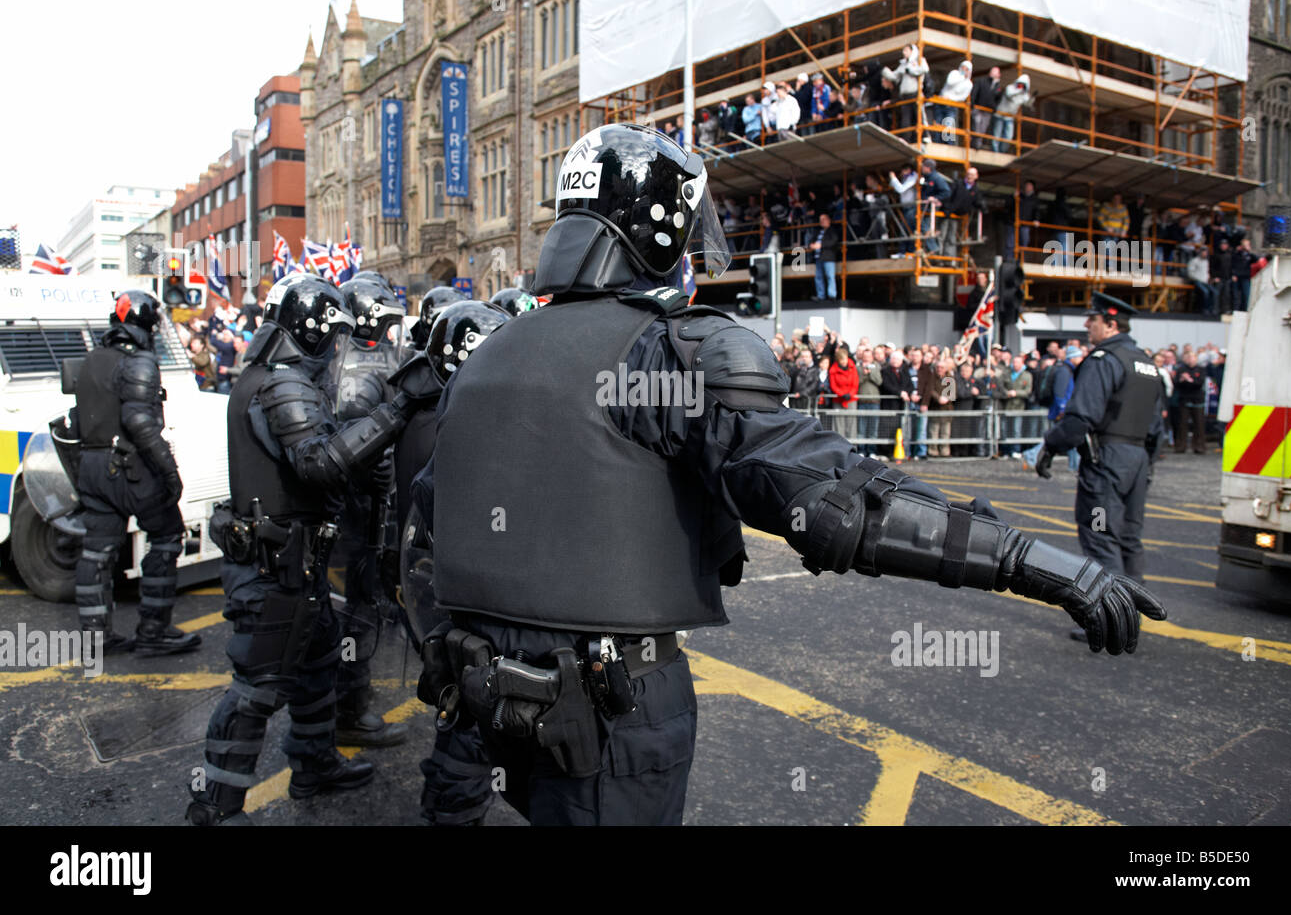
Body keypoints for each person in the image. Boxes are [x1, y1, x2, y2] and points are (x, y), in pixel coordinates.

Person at [410, 123, 1163, 826]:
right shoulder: (671, 350)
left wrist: (457, 661)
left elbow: (424, 531)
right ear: (660, 233)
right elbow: (837, 505)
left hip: (487, 692)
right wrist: (1032, 561)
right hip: (613, 709)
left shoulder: (484, 355)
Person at [187, 275, 441, 825]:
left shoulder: (263, 377)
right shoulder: (283, 385)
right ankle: (214, 805)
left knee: (320, 660)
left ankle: (313, 763)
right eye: (334, 334)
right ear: (314, 329)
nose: (337, 347)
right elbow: (320, 464)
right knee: (255, 691)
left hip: (293, 565)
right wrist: (396, 411)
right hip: (274, 568)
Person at [399, 301, 512, 826]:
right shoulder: (448, 428)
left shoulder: (434, 414)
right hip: (465, 615)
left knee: (462, 734)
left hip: (448, 613)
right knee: (465, 744)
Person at [70, 290, 200, 657]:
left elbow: (80, 420)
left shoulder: (91, 359)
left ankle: (95, 637)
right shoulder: (139, 361)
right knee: (167, 536)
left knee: (96, 553)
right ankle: (153, 632)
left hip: (93, 468)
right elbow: (141, 424)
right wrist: (170, 474)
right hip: (130, 470)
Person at [1036, 293, 1165, 642]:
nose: (1086, 325)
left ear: (1110, 324)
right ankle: (1130, 617)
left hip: (1106, 461)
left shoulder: (1104, 360)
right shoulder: (1146, 363)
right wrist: (1143, 465)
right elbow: (1158, 428)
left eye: (1091, 319)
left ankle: (1108, 622)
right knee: (1128, 538)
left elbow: (1081, 418)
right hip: (1136, 462)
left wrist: (1050, 445)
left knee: (1100, 536)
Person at [328, 276, 411, 748]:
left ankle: (343, 704)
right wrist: (379, 472)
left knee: (357, 609)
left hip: (354, 510)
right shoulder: (358, 369)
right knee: (357, 613)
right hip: (360, 510)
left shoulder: (348, 359)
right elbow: (358, 432)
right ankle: (349, 711)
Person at [1171, 345, 1207, 454]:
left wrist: (1189, 379)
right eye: (1188, 358)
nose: (1190, 360)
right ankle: (1181, 446)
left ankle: (1199, 446)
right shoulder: (1181, 369)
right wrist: (1182, 380)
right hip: (1184, 400)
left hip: (1197, 400)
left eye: (1192, 357)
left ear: (1196, 358)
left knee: (1199, 425)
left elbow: (1199, 383)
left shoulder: (1201, 369)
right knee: (1182, 424)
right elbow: (1176, 384)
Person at [410, 285, 466, 351]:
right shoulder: (416, 345)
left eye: (457, 319)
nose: (451, 325)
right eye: (444, 320)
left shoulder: (467, 344)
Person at [969, 66, 1001, 148]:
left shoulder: (997, 86)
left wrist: (994, 107)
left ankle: (977, 144)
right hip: (978, 108)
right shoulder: (981, 81)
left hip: (987, 111)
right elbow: (974, 92)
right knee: (976, 126)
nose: (993, 74)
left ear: (999, 75)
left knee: (982, 128)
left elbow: (998, 99)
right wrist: (972, 104)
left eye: (995, 72)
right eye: (992, 71)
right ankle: (974, 144)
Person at [810, 212, 840, 300]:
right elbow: (812, 240)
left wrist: (821, 245)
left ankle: (832, 295)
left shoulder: (832, 231)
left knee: (830, 276)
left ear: (828, 220)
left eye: (823, 219)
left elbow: (834, 241)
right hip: (818, 257)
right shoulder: (819, 231)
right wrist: (812, 245)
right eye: (820, 220)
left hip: (828, 257)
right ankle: (821, 295)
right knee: (818, 277)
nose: (822, 222)